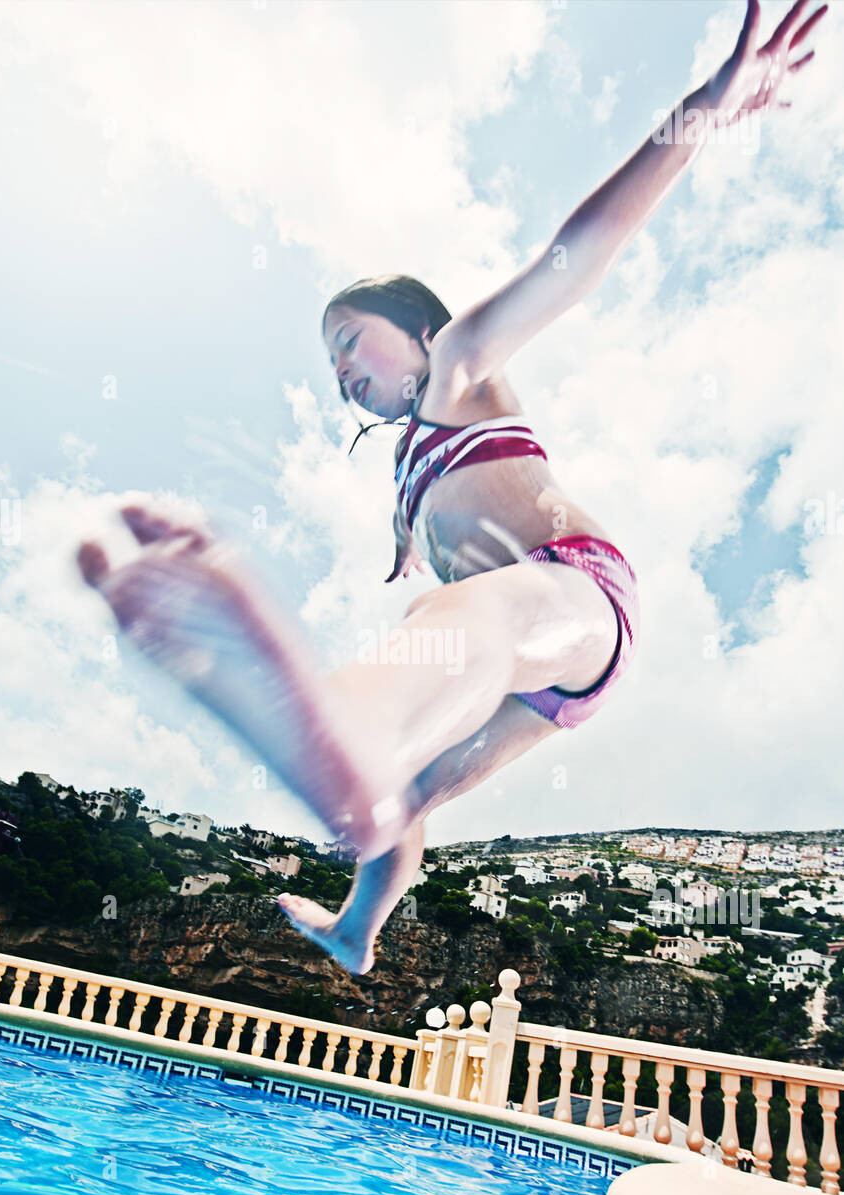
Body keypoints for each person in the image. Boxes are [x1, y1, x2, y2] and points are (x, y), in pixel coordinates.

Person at [78, 0, 825, 975]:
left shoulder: (459, 364)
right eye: (331, 364)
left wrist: (700, 110)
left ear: (417, 326)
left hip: (576, 595)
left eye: (349, 341)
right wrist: (407, 532)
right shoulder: (407, 471)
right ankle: (359, 925)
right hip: (540, 679)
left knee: (455, 615)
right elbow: (435, 530)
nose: (340, 370)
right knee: (413, 792)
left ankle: (352, 725)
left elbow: (574, 258)